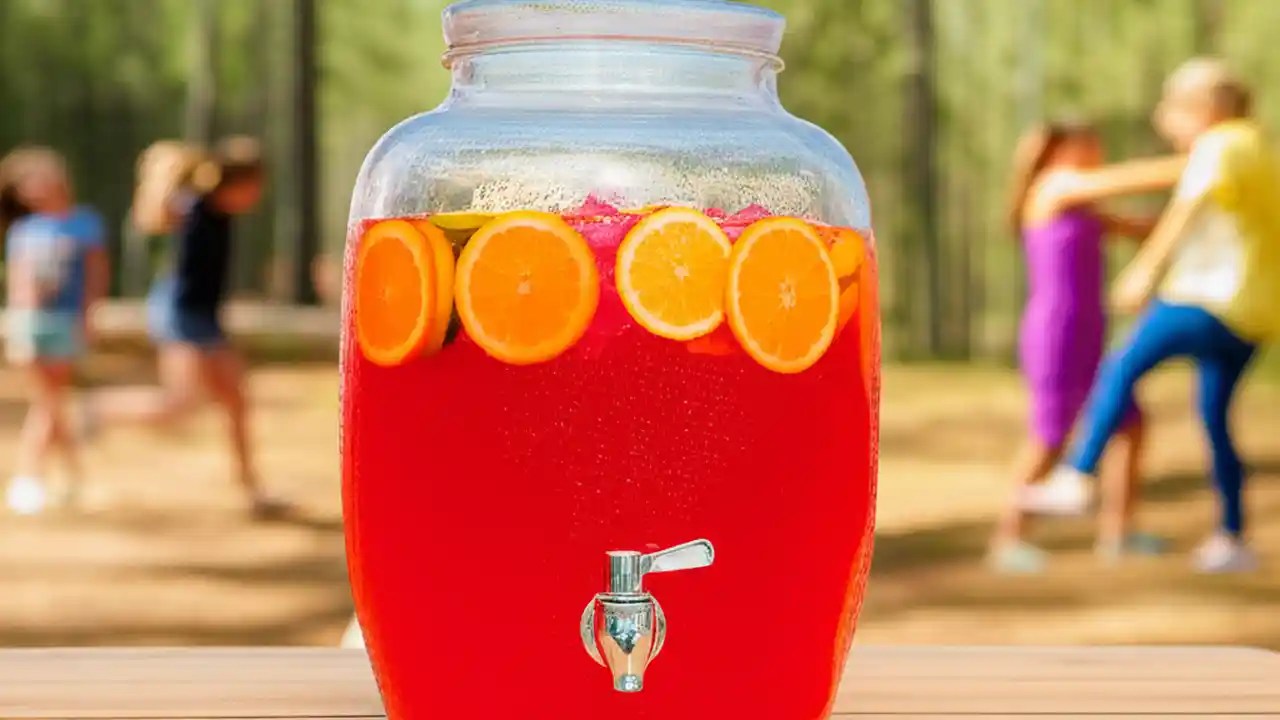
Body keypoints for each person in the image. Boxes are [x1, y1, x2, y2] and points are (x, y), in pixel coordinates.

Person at [1028, 58, 1280, 573]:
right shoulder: (1258, 148)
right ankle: (1232, 536)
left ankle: (1079, 475)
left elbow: (1184, 210)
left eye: (1171, 112)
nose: (1166, 124)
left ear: (1204, 108)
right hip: (1254, 316)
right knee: (1214, 417)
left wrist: (1143, 271)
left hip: (1208, 299)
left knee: (1122, 364)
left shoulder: (1220, 144)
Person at [989, 121, 1186, 573]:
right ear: (1063, 150)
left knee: (1131, 424)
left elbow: (1146, 229)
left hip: (1089, 333)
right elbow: (1128, 181)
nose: (1098, 152)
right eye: (1090, 145)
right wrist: (1200, 161)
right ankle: (1009, 538)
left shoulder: (1084, 208)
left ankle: (1119, 534)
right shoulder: (1055, 186)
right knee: (1049, 436)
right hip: (1056, 334)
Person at [84, 137, 288, 518]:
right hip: (180, 315)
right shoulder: (196, 208)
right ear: (240, 183)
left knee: (236, 400)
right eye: (256, 185)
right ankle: (97, 410)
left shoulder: (220, 213)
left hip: (204, 318)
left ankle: (252, 491)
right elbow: (154, 214)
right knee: (180, 405)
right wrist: (167, 170)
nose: (259, 195)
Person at [1, 147, 109, 514]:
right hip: (28, 322)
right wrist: (14, 324)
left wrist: (89, 315)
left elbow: (96, 274)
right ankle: (75, 474)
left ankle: (29, 476)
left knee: (49, 398)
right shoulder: (23, 229)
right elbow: (17, 281)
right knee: (49, 400)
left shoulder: (85, 223)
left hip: (66, 320)